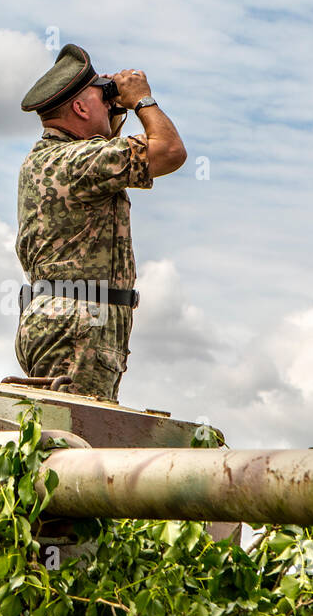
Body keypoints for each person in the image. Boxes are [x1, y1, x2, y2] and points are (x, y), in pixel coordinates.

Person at [13, 44, 186, 401]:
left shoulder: (51, 158)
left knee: (67, 434)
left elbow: (108, 147)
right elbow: (169, 150)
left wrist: (109, 107)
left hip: (69, 317)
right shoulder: (79, 160)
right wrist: (141, 100)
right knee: (73, 439)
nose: (110, 99)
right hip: (80, 325)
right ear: (78, 107)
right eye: (100, 95)